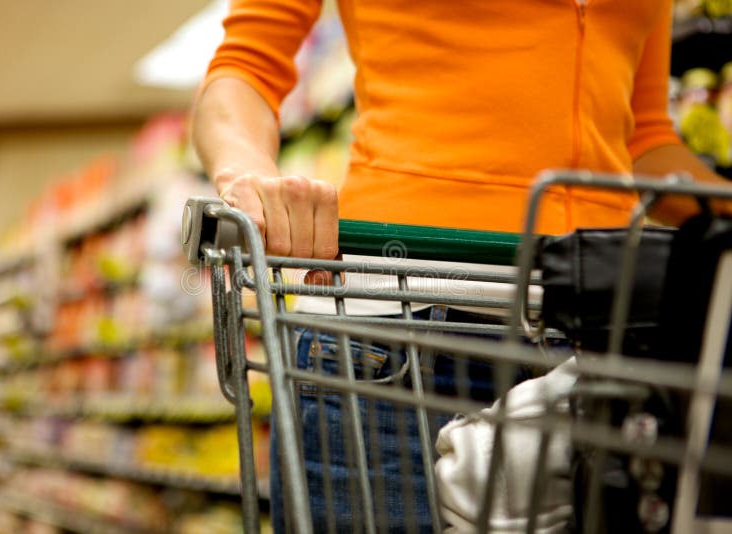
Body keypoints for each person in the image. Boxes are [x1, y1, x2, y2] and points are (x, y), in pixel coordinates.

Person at [192, 0, 731, 531]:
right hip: (397, 324)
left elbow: (644, 138)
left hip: (599, 333)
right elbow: (247, 68)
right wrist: (247, 171)